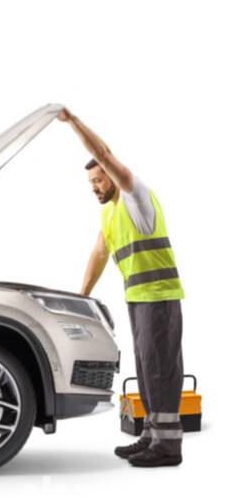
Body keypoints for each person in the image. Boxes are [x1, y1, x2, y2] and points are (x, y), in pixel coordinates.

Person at [60, 108, 186, 468]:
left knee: (161, 368)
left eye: (99, 180)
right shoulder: (109, 213)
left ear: (113, 176)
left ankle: (168, 447)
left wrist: (73, 122)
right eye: (91, 183)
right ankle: (151, 435)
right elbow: (100, 253)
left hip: (159, 299)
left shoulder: (136, 197)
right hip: (139, 300)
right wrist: (81, 296)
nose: (95, 187)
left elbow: (104, 154)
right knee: (148, 369)